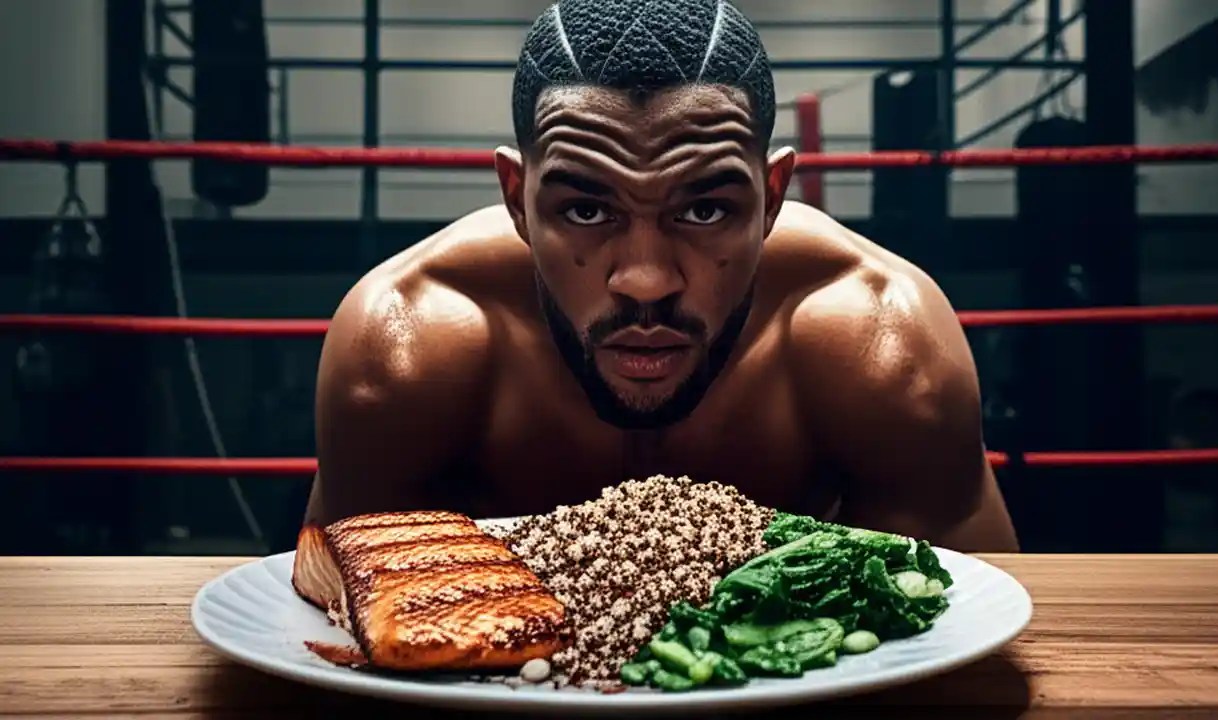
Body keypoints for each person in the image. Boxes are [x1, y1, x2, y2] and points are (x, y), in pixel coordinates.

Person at [304, 0, 1019, 552]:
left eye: (704, 209)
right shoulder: (406, 344)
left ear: (771, 199)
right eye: (587, 209)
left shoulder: (880, 341)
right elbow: (336, 629)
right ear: (516, 198)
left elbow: (958, 634)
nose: (646, 281)